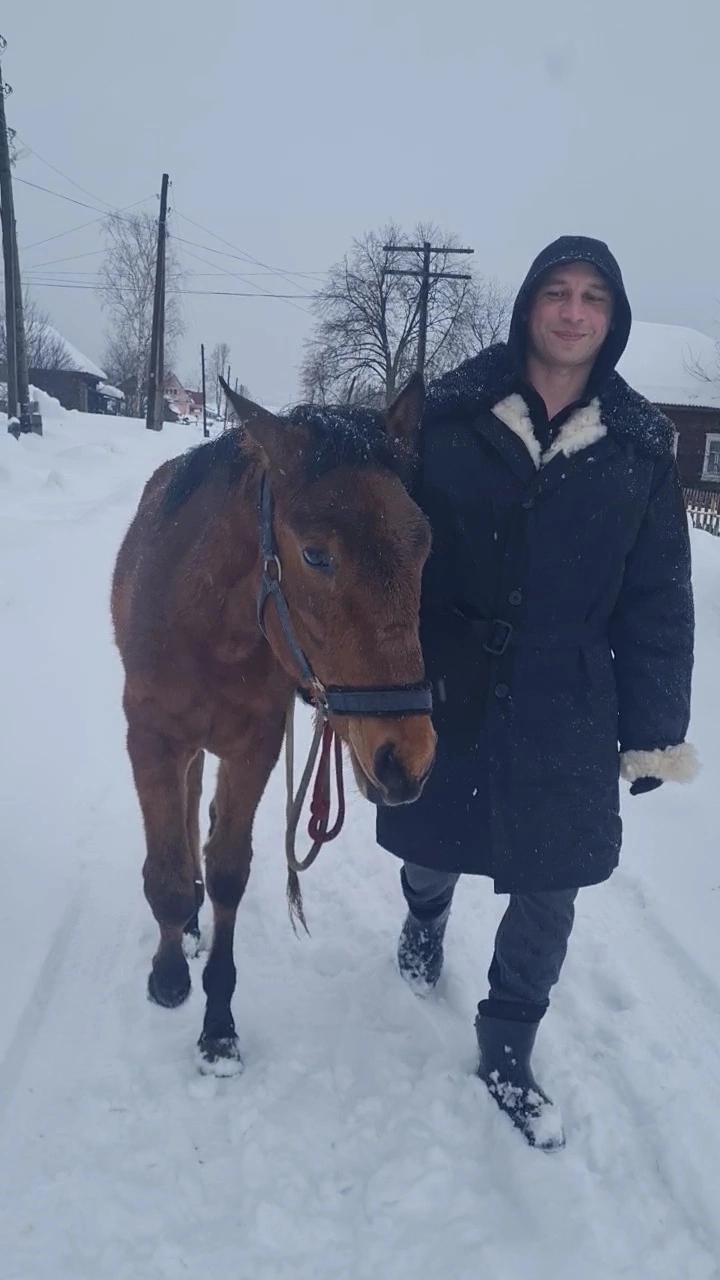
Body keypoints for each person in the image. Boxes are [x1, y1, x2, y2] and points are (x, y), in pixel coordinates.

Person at [376, 235, 697, 1151]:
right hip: (454, 680)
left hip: (570, 701)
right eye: (557, 292)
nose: (572, 311)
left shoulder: (640, 446)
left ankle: (508, 1041)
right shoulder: (449, 414)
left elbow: (657, 596)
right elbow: (385, 552)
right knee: (432, 841)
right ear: (527, 305)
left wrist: (652, 729)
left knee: (552, 882)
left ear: (613, 318)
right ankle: (424, 919)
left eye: (593, 297)